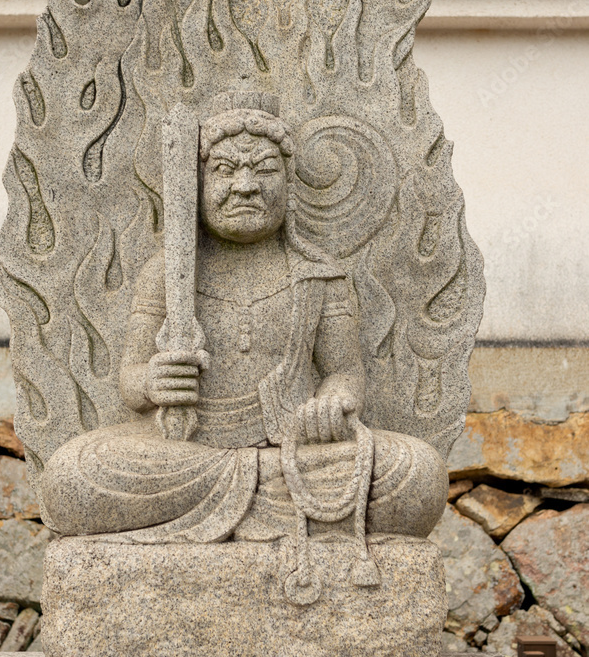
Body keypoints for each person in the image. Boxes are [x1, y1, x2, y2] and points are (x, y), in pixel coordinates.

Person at [41, 99, 448, 565]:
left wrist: (332, 404)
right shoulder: (168, 274)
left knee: (417, 473)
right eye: (225, 170)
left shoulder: (320, 277)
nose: (245, 186)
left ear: (289, 186)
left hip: (293, 455)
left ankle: (251, 503)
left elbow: (345, 372)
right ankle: (270, 510)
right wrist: (153, 382)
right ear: (196, 186)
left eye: (265, 170)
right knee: (72, 477)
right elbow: (130, 381)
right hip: (186, 458)